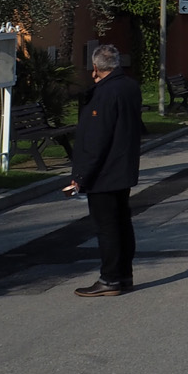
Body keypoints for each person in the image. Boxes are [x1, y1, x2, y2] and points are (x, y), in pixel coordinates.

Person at [64, 45, 143, 296]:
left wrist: (80, 178)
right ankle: (124, 274)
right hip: (123, 167)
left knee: (107, 227)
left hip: (104, 172)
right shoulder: (130, 86)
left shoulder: (105, 93)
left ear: (95, 67)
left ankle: (109, 279)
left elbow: (96, 138)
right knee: (122, 223)